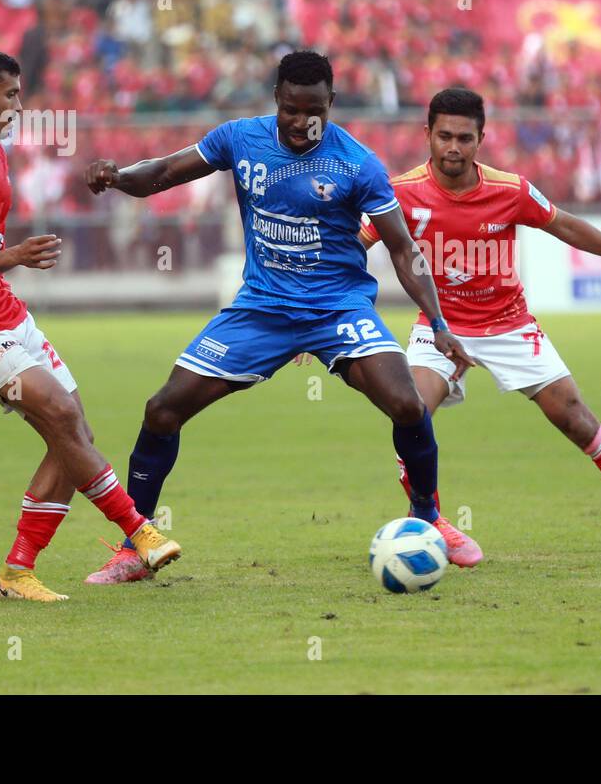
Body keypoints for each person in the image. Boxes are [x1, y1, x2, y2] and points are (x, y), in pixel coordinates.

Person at [81, 51, 476, 582]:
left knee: (407, 405)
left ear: (331, 104)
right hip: (262, 308)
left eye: (314, 110)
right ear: (276, 100)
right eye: (291, 109)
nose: (301, 122)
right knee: (162, 409)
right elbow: (167, 173)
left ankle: (428, 517)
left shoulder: (357, 164)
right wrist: (119, 177)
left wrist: (440, 324)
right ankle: (136, 545)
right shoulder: (240, 139)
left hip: (338, 307)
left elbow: (403, 250)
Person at [360, 88, 601, 563]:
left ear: (481, 140)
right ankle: (432, 519)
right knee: (410, 411)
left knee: (578, 421)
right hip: (440, 326)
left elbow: (566, 225)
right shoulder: (401, 192)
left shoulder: (509, 190)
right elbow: (356, 245)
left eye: (465, 138)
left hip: (509, 325)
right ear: (427, 135)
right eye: (445, 136)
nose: (454, 147)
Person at [0, 46, 180, 602]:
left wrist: (12, 261)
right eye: (10, 95)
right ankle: (138, 529)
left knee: (72, 428)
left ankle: (15, 573)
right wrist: (18, 256)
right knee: (59, 412)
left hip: (3, 310)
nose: (18, 105)